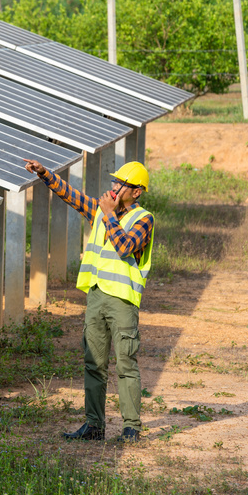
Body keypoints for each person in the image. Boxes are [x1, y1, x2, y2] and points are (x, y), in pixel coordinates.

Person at [23, 158, 154, 443]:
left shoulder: (143, 218)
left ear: (136, 192)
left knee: (125, 365)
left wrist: (108, 215)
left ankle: (131, 428)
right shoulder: (102, 210)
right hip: (96, 296)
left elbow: (124, 247)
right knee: (93, 362)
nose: (114, 188)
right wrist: (46, 174)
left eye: (121, 184)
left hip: (122, 301)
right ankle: (94, 426)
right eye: (114, 182)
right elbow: (71, 196)